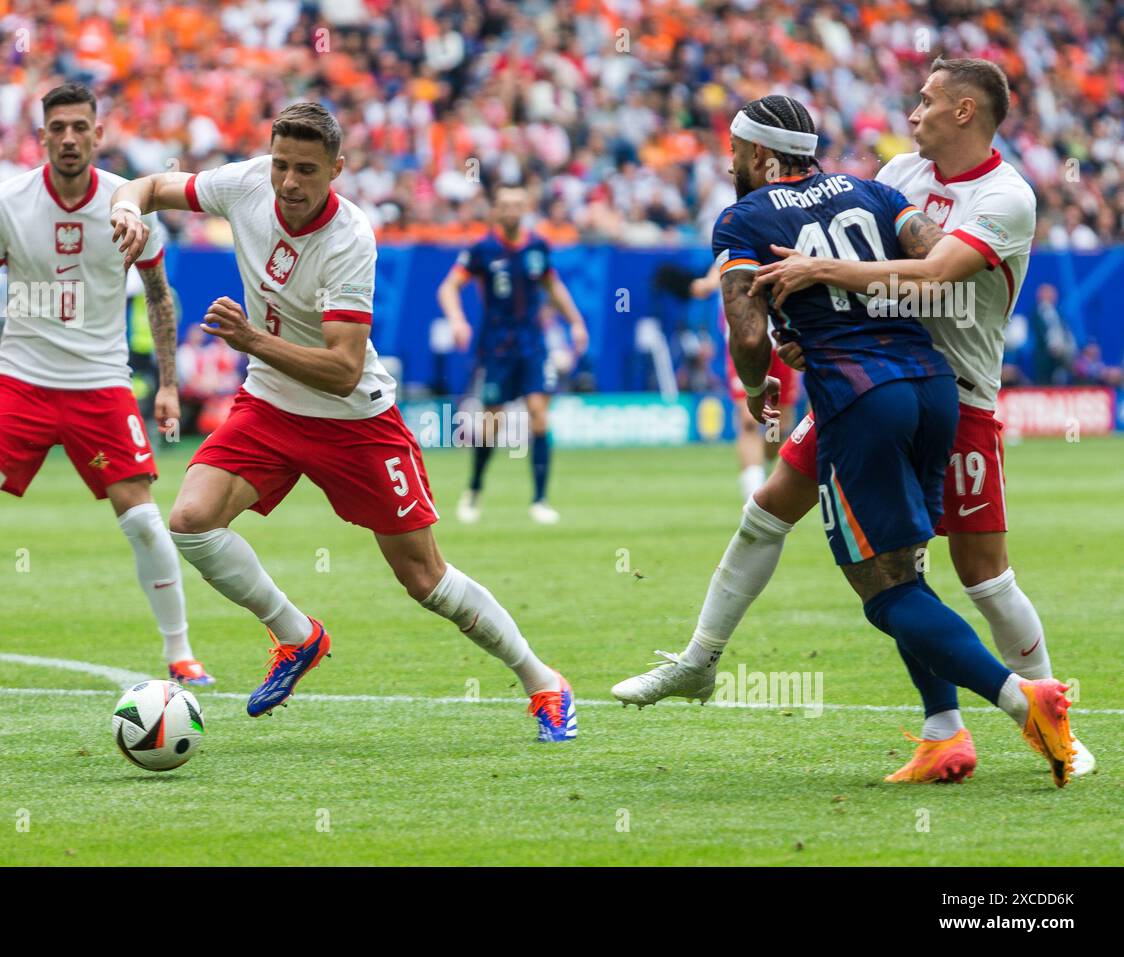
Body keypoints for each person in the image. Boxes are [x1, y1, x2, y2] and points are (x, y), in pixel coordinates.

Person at [616, 62, 1095, 780]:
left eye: (927, 102)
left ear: (966, 112)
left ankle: (1053, 719)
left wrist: (817, 277)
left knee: (976, 576)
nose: (912, 115)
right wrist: (804, 326)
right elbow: (848, 231)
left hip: (956, 394)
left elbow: (934, 270)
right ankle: (930, 729)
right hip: (882, 377)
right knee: (773, 510)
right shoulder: (896, 176)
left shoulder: (1007, 196)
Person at [108, 103, 576, 741]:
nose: (289, 183)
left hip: (355, 420)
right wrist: (129, 208)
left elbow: (343, 369)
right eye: (280, 165)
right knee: (190, 522)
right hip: (271, 405)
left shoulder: (350, 237)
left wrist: (250, 339)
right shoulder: (247, 184)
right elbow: (153, 186)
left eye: (306, 169)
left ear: (337, 168)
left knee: (424, 578)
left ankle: (543, 682)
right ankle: (297, 636)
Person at [0, 84, 212, 686]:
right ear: (43, 135)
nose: (70, 138)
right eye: (59, 128)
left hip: (101, 384)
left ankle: (180, 654)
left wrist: (171, 385)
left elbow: (159, 297)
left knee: (145, 520)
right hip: (19, 381)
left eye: (81, 127)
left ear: (98, 135)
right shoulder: (7, 201)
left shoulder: (128, 206)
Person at [436, 185, 589, 525]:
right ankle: (474, 489)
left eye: (517, 205)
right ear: (495, 209)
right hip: (497, 346)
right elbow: (448, 287)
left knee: (539, 413)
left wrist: (576, 322)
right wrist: (458, 319)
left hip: (532, 343)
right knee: (493, 422)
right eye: (504, 205)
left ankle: (540, 499)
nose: (510, 210)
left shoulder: (537, 247)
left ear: (526, 208)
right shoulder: (482, 250)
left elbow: (553, 287)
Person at [689, 266, 800, 500]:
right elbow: (723, 265)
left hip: (783, 342)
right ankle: (753, 494)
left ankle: (765, 464)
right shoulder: (735, 243)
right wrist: (708, 283)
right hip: (744, 347)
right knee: (749, 420)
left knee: (777, 424)